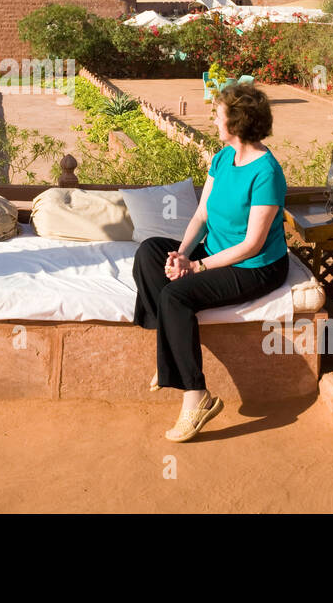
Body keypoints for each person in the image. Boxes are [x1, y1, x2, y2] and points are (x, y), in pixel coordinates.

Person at [131, 82, 289, 442]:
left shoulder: (267, 173)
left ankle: (196, 395)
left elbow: (251, 244)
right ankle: (171, 357)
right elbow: (202, 214)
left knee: (175, 296)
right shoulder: (221, 158)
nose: (213, 120)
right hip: (218, 249)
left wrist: (197, 268)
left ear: (237, 122)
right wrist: (182, 253)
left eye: (218, 115)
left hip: (256, 266)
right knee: (149, 253)